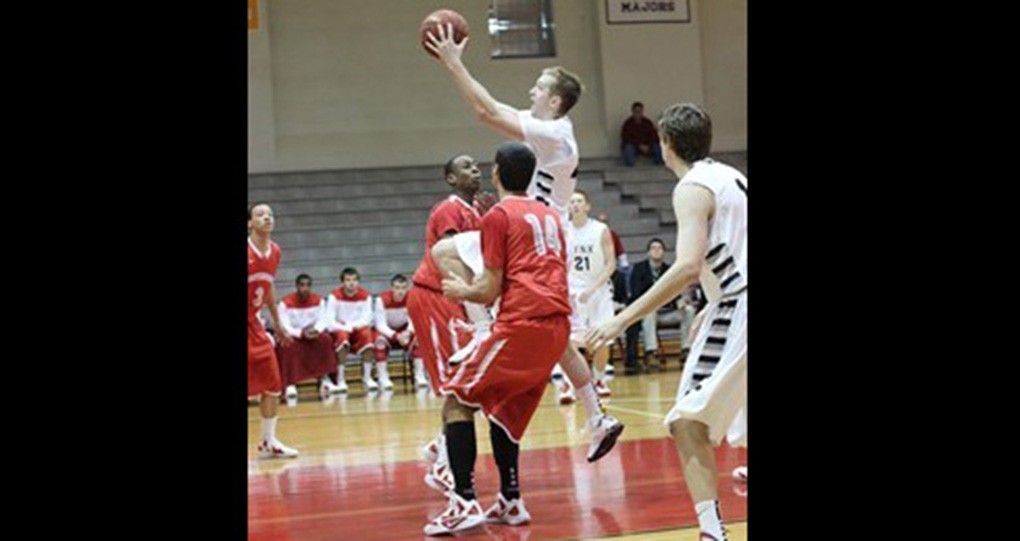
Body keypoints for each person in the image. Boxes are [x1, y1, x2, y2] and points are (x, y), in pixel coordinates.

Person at [425, 24, 623, 462]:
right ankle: (597, 418)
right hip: (546, 235)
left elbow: (484, 109)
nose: (531, 91)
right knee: (557, 337)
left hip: (531, 233)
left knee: (443, 252)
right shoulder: (553, 130)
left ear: (554, 100)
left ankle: (482, 329)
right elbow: (493, 107)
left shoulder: (554, 133)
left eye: (539, 88)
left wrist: (452, 61)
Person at [586, 103, 747, 541]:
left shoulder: (692, 187)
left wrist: (622, 318)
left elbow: (688, 267)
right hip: (731, 304)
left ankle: (713, 533)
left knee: (686, 422)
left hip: (740, 307)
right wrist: (713, 307)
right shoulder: (733, 176)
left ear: (665, 144)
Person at [425, 142, 570, 535]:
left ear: (496, 173)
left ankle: (464, 502)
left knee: (456, 401)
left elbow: (488, 289)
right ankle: (510, 499)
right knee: (503, 411)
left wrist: (460, 290)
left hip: (522, 324)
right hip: (558, 329)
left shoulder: (498, 215)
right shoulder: (550, 214)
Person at [406, 154, 485, 497]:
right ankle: (444, 464)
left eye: (476, 165)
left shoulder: (478, 210)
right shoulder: (448, 210)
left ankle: (441, 449)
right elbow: (454, 260)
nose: (475, 170)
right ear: (451, 179)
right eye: (466, 167)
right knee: (459, 385)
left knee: (470, 384)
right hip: (435, 296)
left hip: (457, 298)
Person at [247, 203, 298, 459]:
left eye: (270, 214)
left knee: (272, 384)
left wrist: (277, 323)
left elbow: (268, 287)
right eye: (260, 214)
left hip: (255, 324)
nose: (267, 218)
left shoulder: (274, 251)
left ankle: (268, 442)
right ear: (249, 223)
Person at [566, 190, 616, 397]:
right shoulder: (563, 230)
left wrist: (593, 288)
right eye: (571, 202)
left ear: (587, 206)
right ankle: (569, 385)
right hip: (572, 292)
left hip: (598, 290)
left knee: (602, 339)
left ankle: (599, 380)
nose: (575, 205)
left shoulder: (600, 229)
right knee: (569, 341)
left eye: (579, 201)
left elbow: (611, 264)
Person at [276, 274, 340, 400]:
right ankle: (290, 383)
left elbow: (323, 319)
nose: (305, 288)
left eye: (308, 286)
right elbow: (283, 325)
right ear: (296, 286)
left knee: (326, 340)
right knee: (286, 344)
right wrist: (300, 333)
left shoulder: (319, 300)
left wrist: (316, 330)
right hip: (294, 335)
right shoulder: (285, 303)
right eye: (302, 285)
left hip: (312, 334)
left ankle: (324, 379)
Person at [320, 267, 378, 392]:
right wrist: (345, 327)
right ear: (342, 282)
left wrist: (352, 326)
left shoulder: (366, 296)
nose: (351, 283)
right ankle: (341, 379)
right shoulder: (334, 296)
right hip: (340, 328)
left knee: (368, 335)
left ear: (358, 282)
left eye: (354, 280)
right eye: (348, 280)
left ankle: (367, 378)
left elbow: (367, 319)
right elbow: (330, 321)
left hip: (357, 328)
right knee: (342, 337)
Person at [372, 274, 418, 389]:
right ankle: (383, 377)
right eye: (397, 288)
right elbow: (380, 324)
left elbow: (414, 320)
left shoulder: (412, 298)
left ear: (407, 288)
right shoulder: (381, 300)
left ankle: (420, 375)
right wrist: (395, 335)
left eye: (403, 288)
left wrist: (408, 332)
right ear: (392, 288)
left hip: (404, 331)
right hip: (388, 332)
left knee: (419, 339)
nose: (400, 291)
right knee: (379, 341)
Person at [621, 101, 664, 166]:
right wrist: (639, 145)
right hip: (634, 147)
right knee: (628, 148)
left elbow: (653, 136)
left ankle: (658, 162)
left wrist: (648, 145)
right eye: (636, 111)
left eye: (640, 111)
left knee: (657, 147)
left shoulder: (647, 123)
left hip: (647, 146)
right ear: (632, 112)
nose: (638, 113)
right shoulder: (628, 124)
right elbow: (626, 138)